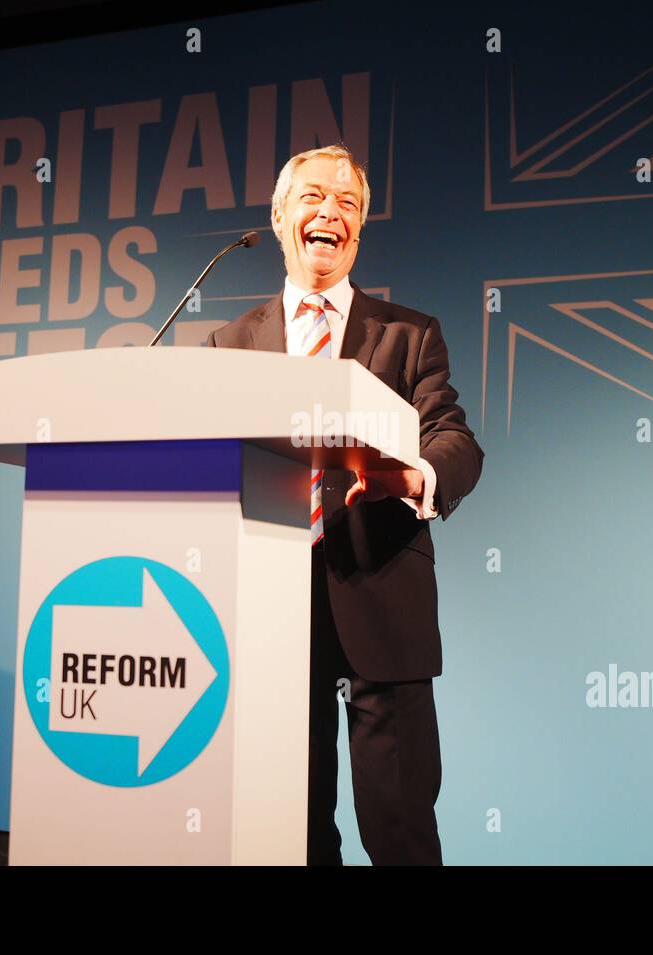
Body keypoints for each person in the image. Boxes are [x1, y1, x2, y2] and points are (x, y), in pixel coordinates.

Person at [206, 145, 483, 865]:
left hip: (381, 592)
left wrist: (413, 474)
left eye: (349, 203)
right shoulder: (227, 344)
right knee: (289, 830)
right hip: (268, 606)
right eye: (313, 197)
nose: (331, 211)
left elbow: (453, 437)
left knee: (400, 832)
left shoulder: (407, 333)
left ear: (358, 230)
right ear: (278, 217)